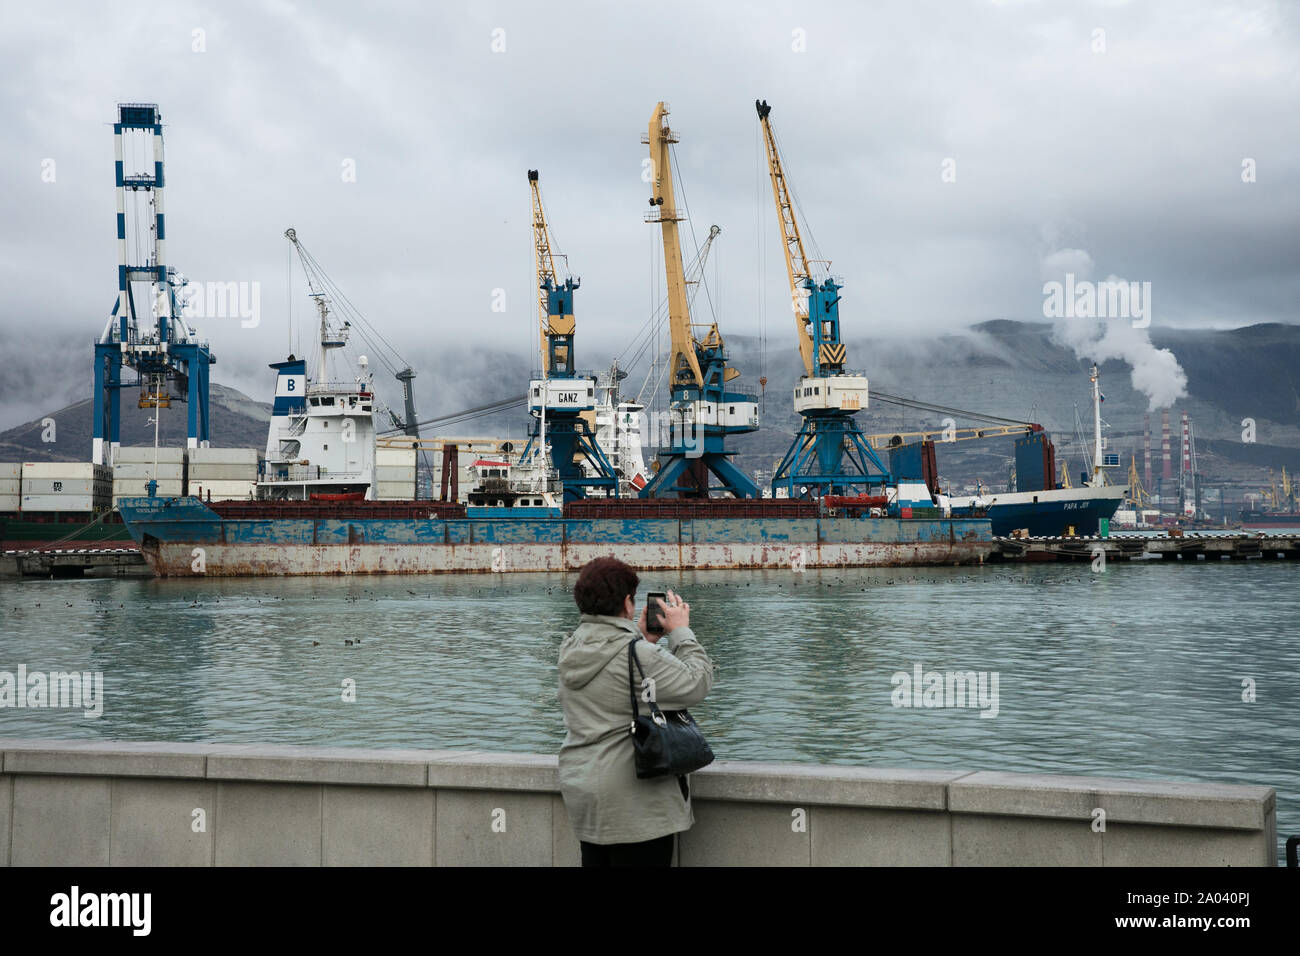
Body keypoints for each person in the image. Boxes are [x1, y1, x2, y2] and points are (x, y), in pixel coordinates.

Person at [557, 557, 714, 867]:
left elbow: (613, 682)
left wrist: (641, 639)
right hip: (634, 802)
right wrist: (681, 632)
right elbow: (697, 683)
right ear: (628, 603)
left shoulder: (570, 648)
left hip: (584, 791)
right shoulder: (638, 655)